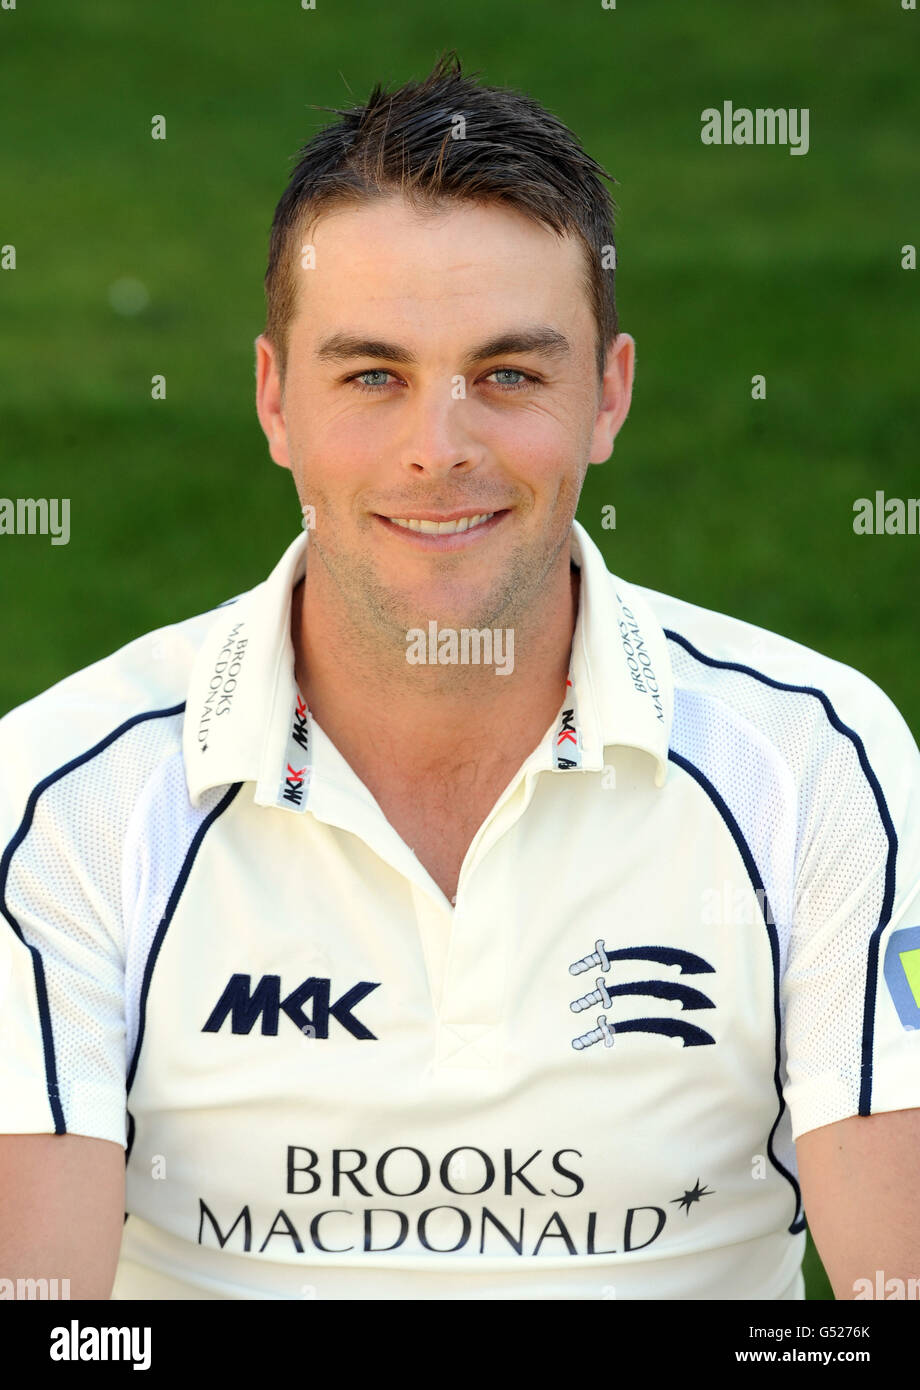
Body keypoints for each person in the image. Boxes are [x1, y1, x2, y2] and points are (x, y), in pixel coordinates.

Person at [1, 50, 918, 1303]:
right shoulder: (62, 797)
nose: (440, 450)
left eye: (508, 375)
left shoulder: (817, 764)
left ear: (607, 396)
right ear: (275, 403)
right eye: (371, 375)